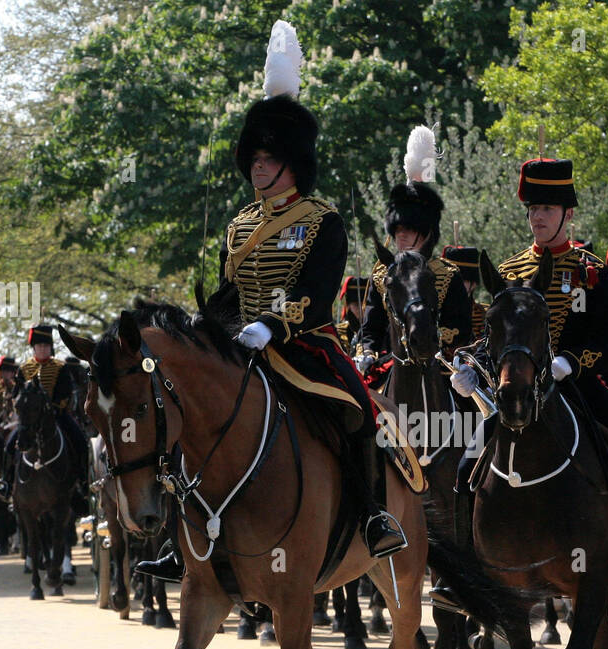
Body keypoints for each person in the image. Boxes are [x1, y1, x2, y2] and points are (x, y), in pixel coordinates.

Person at [138, 23, 402, 581]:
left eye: (268, 156)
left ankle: (375, 516)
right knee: (178, 411)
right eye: (253, 156)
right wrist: (208, 330)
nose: (257, 165)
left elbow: (317, 292)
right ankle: (176, 536)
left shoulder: (321, 220)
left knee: (359, 412)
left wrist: (271, 326)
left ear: (291, 161)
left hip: (306, 346)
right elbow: (228, 293)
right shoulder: (239, 227)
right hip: (242, 347)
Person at [450, 156, 608, 592]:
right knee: (465, 466)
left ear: (568, 214)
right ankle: (464, 572)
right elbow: (494, 340)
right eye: (533, 209)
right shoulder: (511, 271)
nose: (538, 217)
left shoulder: (590, 271)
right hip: (518, 393)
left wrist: (571, 362)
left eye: (548, 209)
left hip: (579, 386)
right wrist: (471, 371)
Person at [355, 125, 473, 375]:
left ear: (427, 231)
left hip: (442, 370)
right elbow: (370, 329)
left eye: (409, 228)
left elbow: (461, 330)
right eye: (397, 229)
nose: (401, 235)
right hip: (390, 369)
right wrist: (366, 353)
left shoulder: (447, 275)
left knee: (476, 411)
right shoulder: (380, 276)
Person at [0, 327, 90, 514]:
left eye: (45, 346)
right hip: (30, 419)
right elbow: (16, 394)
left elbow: (65, 392)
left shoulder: (61, 367)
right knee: (9, 445)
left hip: (57, 416)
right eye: (39, 346)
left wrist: (54, 407)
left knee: (80, 440)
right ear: (33, 347)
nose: (42, 349)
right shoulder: (24, 369)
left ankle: (83, 482)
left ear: (50, 348)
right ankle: (6, 482)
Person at [442, 245, 489, 341]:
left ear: (473, 284)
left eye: (461, 280)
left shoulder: (485, 315)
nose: (455, 285)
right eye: (449, 280)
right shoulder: (433, 315)